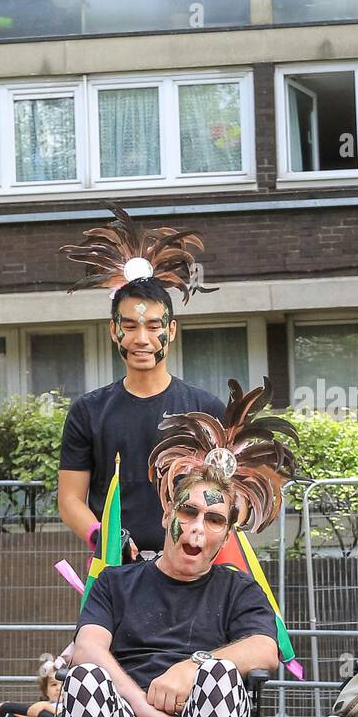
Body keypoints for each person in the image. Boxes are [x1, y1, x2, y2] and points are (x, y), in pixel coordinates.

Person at [59, 381, 296, 717]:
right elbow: (87, 648)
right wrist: (146, 706)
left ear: (227, 533)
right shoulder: (115, 583)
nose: (196, 529)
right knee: (82, 679)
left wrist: (192, 669)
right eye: (188, 512)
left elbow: (265, 649)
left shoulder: (237, 589)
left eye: (213, 519)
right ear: (168, 512)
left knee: (223, 674)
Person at [58, 210, 226, 558]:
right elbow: (70, 498)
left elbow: (225, 494)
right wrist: (103, 537)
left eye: (153, 326)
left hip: (194, 571)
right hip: (114, 572)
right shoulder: (88, 411)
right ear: (113, 330)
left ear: (171, 331)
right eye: (130, 326)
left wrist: (199, 539)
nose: (142, 338)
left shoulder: (207, 411)